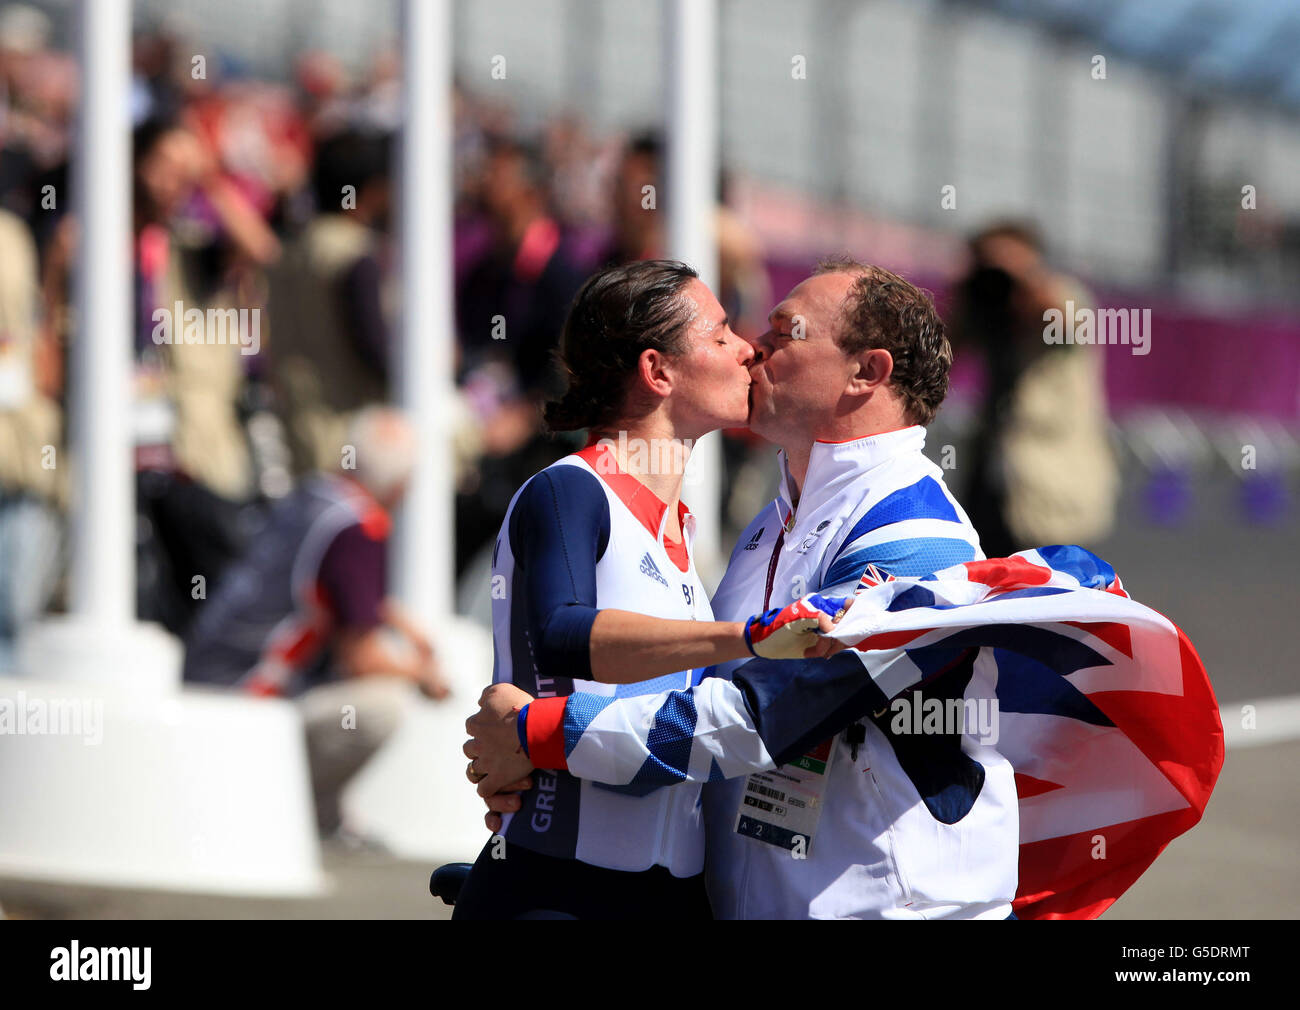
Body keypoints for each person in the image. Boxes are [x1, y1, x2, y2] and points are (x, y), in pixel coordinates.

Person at [467, 259, 1023, 919]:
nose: (754, 347)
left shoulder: (917, 533)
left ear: (865, 372)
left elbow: (766, 716)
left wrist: (537, 735)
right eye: (733, 331)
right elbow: (683, 685)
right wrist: (525, 768)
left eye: (787, 333)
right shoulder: (772, 520)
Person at [451, 259, 836, 921]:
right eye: (720, 337)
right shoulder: (569, 489)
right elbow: (565, 636)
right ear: (658, 371)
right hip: (556, 889)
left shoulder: (684, 526)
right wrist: (749, 637)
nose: (747, 349)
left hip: (673, 895)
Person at [183, 406, 449, 834]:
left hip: (204, 671)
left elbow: (332, 592)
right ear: (400, 483)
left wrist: (404, 626)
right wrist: (427, 676)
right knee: (382, 707)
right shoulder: (360, 525)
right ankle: (297, 812)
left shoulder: (314, 496)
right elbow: (361, 658)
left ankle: (318, 813)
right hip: (246, 690)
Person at [952, 220, 1117, 558]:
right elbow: (945, 353)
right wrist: (970, 296)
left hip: (1048, 472)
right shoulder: (989, 307)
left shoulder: (1066, 296)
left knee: (1048, 588)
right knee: (988, 584)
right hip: (991, 469)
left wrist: (1024, 278)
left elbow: (1066, 321)